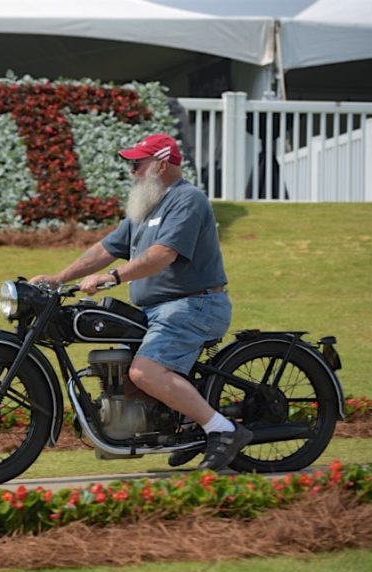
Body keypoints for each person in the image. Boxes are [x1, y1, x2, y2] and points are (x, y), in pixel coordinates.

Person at [31, 133, 251, 471]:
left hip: (192, 305)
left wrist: (113, 278)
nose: (131, 171)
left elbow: (163, 255)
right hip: (154, 311)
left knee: (143, 372)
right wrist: (60, 278)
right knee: (121, 375)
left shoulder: (187, 200)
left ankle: (222, 431)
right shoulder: (146, 206)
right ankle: (187, 426)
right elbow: (105, 249)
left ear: (161, 165)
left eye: (137, 163)